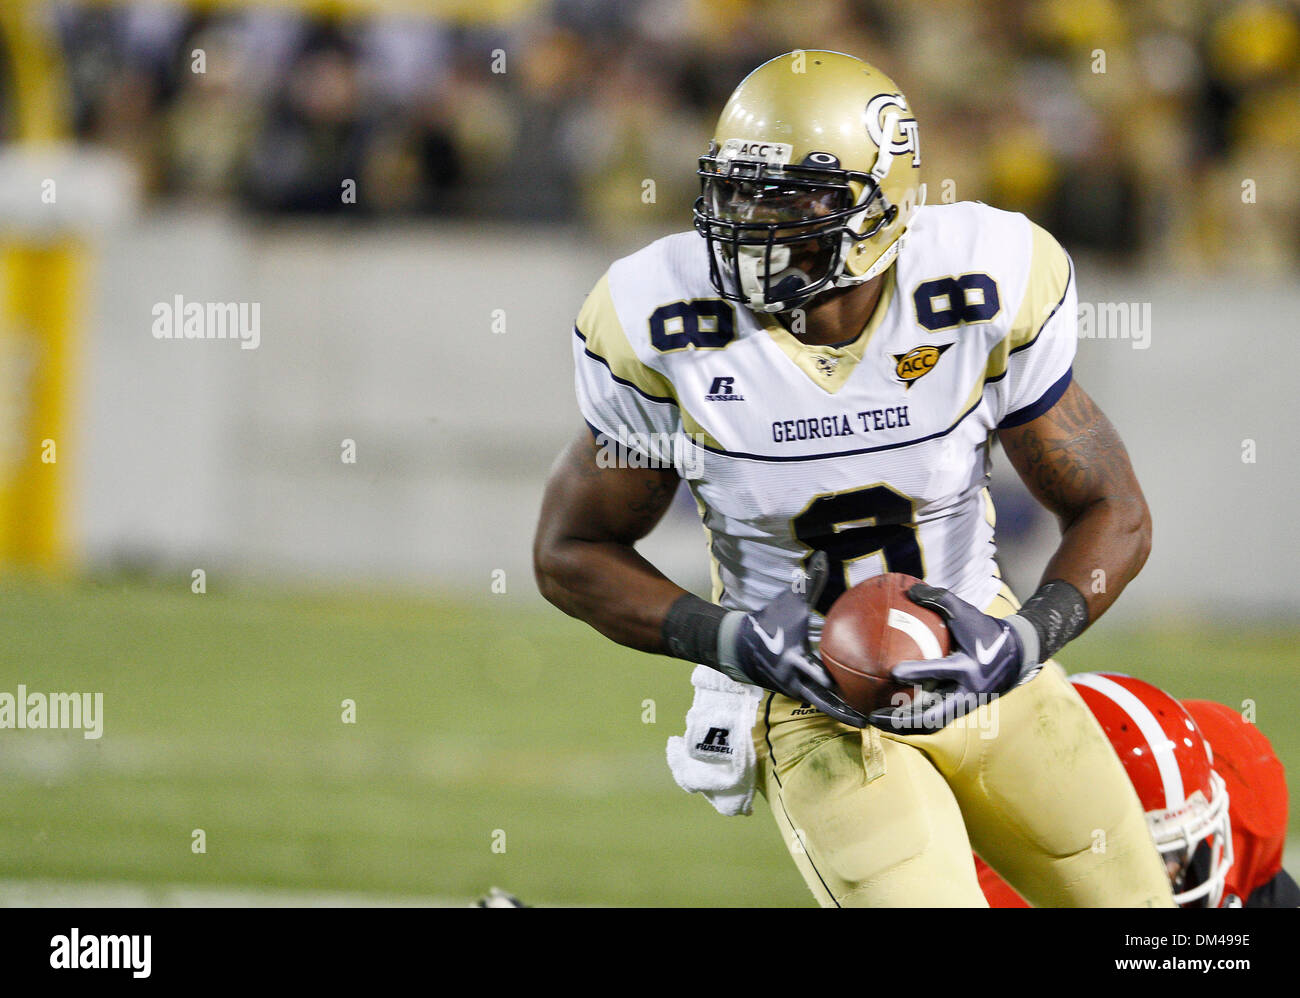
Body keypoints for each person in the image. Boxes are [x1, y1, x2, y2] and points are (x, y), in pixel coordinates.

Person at [533, 50, 1173, 907]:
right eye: (737, 191)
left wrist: (1024, 641)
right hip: (811, 704)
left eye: (793, 198)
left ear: (882, 203)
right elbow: (570, 550)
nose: (753, 223)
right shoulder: (662, 320)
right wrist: (729, 640)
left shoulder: (977, 283)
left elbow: (1114, 511)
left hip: (982, 662)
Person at [977, 672, 1299, 908]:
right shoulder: (986, 890)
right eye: (1151, 854)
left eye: (1175, 851)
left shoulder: (1245, 784)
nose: (1170, 872)